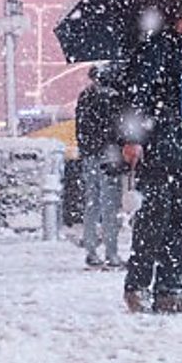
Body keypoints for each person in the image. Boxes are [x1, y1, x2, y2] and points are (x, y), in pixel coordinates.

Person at [119, 8, 182, 313]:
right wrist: (133, 138)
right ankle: (137, 287)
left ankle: (169, 290)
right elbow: (137, 95)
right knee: (152, 224)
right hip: (161, 152)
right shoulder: (155, 52)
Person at [74, 63, 127, 269]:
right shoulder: (113, 98)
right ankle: (111, 253)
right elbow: (117, 129)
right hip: (109, 156)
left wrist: (86, 149)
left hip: (89, 155)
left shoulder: (84, 97)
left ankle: (90, 250)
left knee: (92, 203)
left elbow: (80, 128)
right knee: (110, 205)